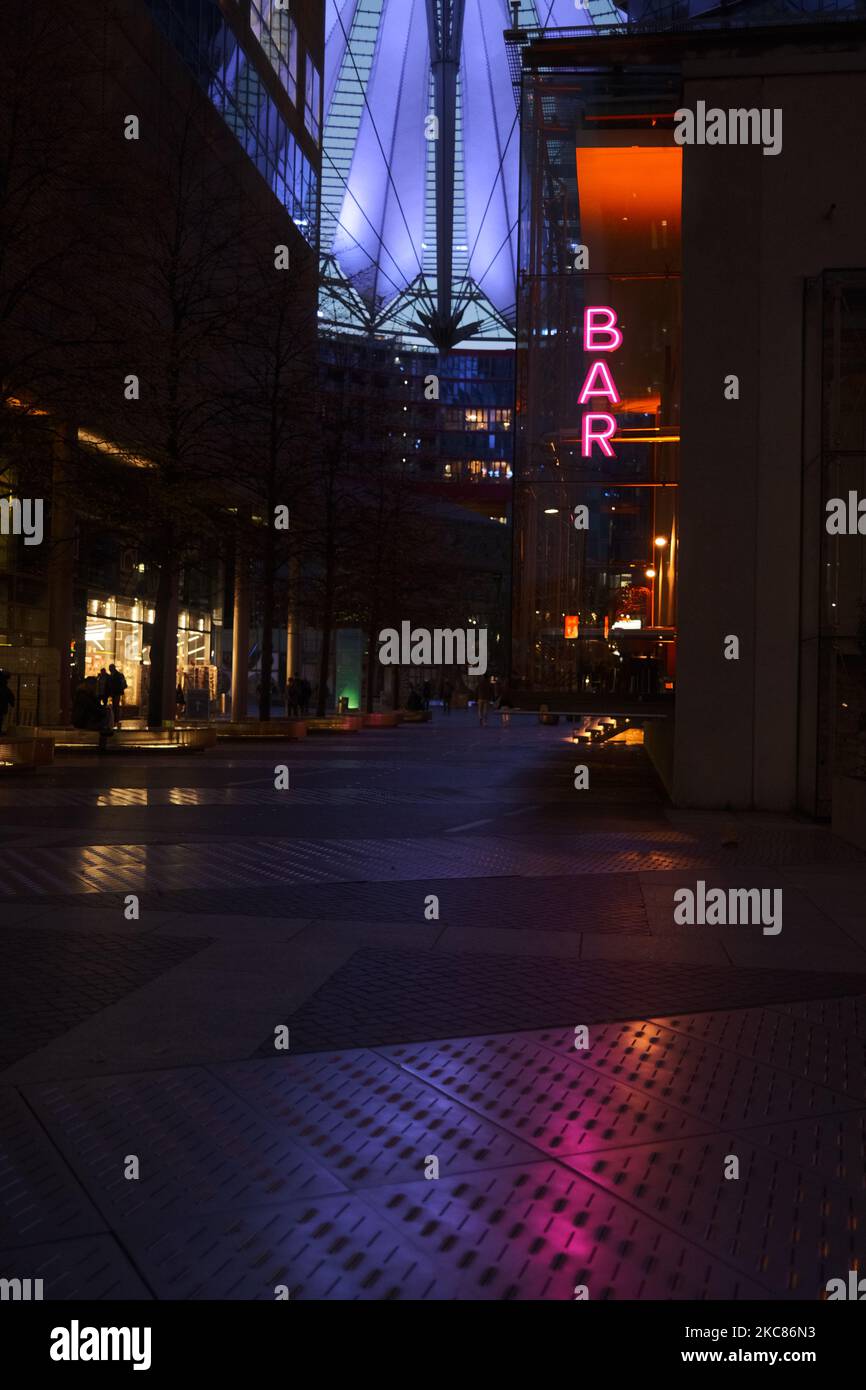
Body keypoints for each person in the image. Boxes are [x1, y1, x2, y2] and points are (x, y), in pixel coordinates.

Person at [72, 676, 115, 752]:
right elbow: (94, 708)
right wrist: (104, 711)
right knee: (105, 719)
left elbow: (96, 707)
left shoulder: (87, 694)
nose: (95, 687)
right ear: (89, 685)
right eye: (94, 685)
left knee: (106, 716)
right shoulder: (84, 695)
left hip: (86, 719)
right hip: (84, 721)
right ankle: (104, 740)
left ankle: (105, 731)